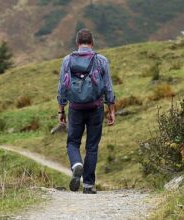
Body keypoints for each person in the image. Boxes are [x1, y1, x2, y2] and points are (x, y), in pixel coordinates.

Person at [57, 28, 115, 194]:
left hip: (75, 108)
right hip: (95, 107)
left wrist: (61, 110)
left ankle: (76, 164)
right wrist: (111, 109)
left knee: (73, 142)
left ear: (77, 43)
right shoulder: (101, 60)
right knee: (92, 146)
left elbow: (62, 87)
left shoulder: (67, 60)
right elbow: (108, 87)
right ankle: (89, 185)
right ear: (92, 43)